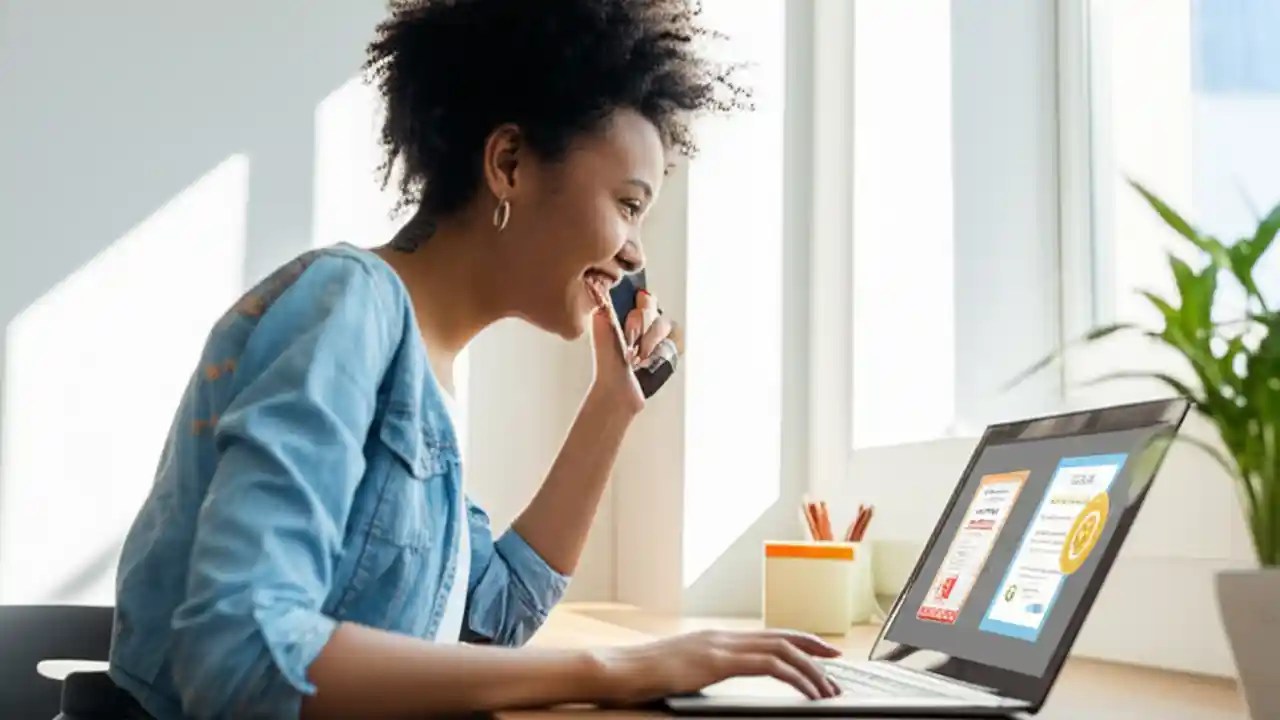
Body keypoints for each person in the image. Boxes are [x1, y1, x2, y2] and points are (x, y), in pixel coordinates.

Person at [108, 1, 842, 718]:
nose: (634, 251)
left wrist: (611, 408)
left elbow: (488, 618)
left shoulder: (426, 367)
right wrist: (615, 667)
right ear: (509, 162)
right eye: (627, 203)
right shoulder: (349, 307)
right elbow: (241, 652)